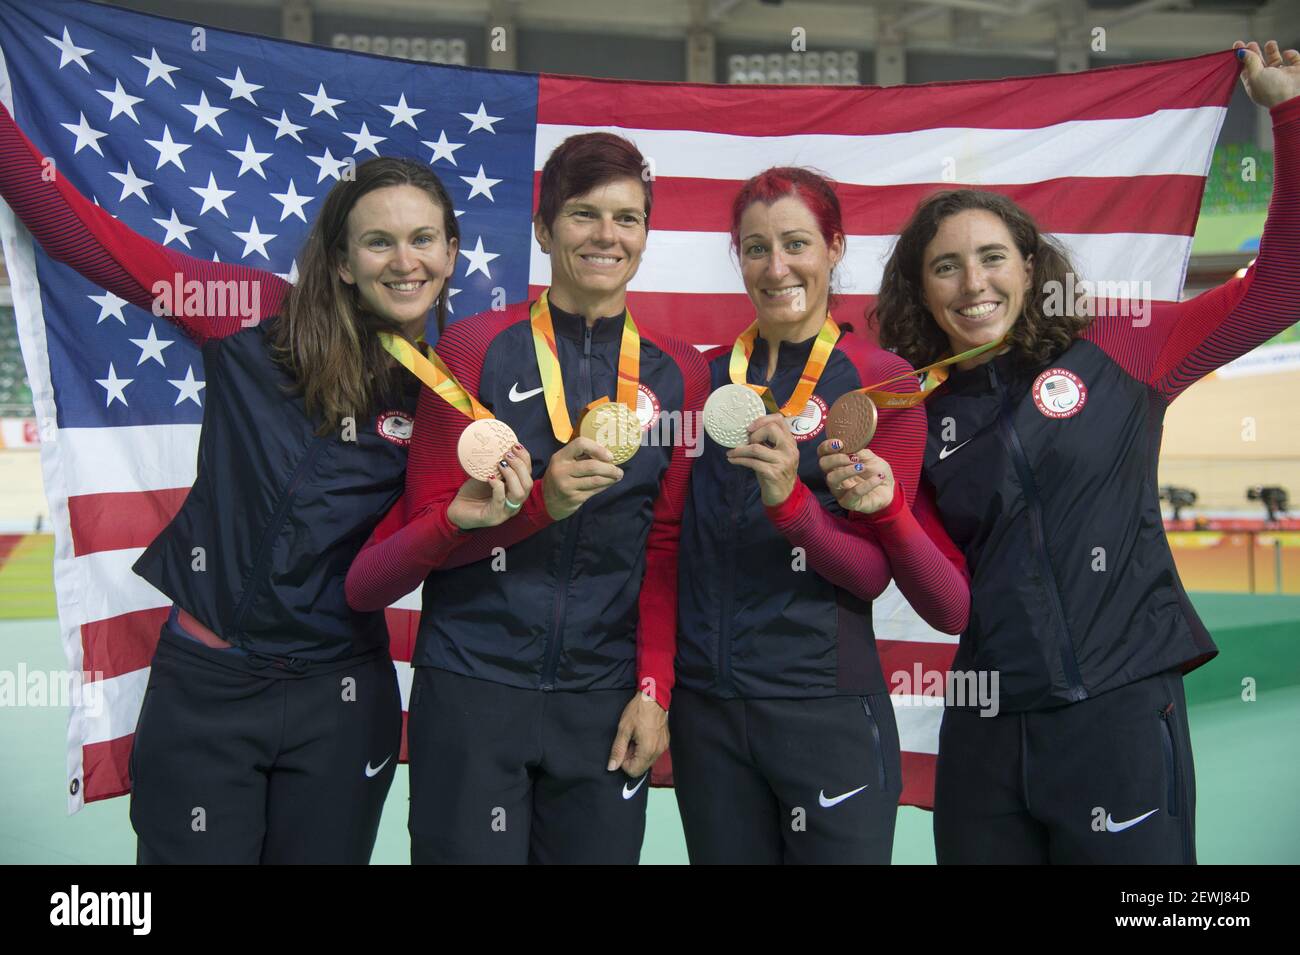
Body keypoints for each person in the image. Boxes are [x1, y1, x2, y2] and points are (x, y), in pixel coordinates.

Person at [819, 40, 1300, 864]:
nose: (973, 283)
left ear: (1030, 264)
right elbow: (949, 605)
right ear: (921, 289)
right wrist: (888, 509)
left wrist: (1287, 113)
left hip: (1118, 708)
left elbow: (1283, 286)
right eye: (946, 266)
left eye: (992, 256)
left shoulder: (1122, 348)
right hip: (987, 728)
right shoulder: (913, 408)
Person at [0, 100, 484, 863]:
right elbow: (84, 236)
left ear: (451, 253)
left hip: (341, 699)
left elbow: (397, 562)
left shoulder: (452, 395)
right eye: (378, 241)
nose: (404, 260)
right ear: (341, 260)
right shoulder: (250, 313)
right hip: (207, 688)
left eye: (424, 239)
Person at [344, 132, 710, 864]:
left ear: (644, 234)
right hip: (474, 687)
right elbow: (427, 528)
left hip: (603, 701)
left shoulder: (680, 378)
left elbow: (665, 547)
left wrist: (654, 688)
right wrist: (540, 501)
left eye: (628, 217)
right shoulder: (474, 348)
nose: (607, 234)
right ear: (543, 228)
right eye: (583, 214)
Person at [670, 167, 972, 864]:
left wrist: (791, 503)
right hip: (707, 714)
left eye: (797, 243)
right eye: (755, 248)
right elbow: (663, 543)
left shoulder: (883, 383)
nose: (777, 268)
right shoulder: (701, 381)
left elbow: (869, 574)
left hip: (823, 710)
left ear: (835, 247)